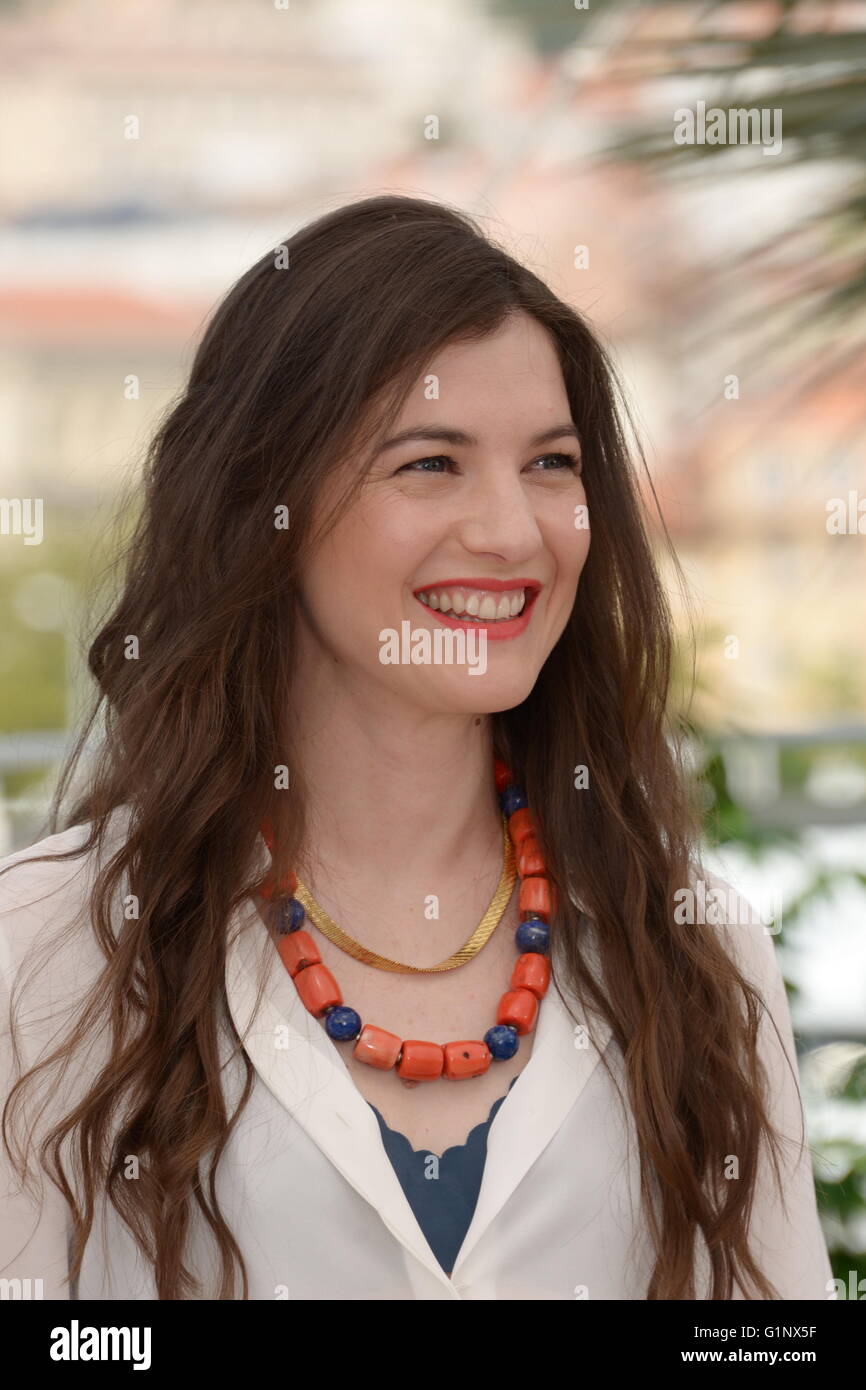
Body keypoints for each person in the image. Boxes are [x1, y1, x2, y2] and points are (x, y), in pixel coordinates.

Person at [0, 194, 832, 1301]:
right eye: (430, 463)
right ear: (264, 503)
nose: (511, 529)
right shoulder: (51, 948)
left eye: (549, 462)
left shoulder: (698, 946)